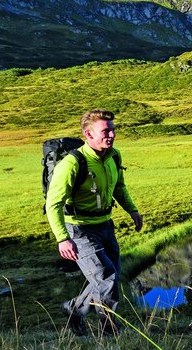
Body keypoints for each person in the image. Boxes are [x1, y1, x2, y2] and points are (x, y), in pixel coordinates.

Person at [45, 109, 144, 335]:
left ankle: (73, 309)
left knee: (110, 277)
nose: (111, 135)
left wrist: (132, 210)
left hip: (105, 226)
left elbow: (119, 186)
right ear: (88, 135)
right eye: (106, 131)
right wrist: (63, 238)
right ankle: (109, 332)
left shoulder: (114, 155)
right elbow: (53, 203)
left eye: (113, 130)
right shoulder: (72, 163)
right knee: (107, 279)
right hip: (79, 230)